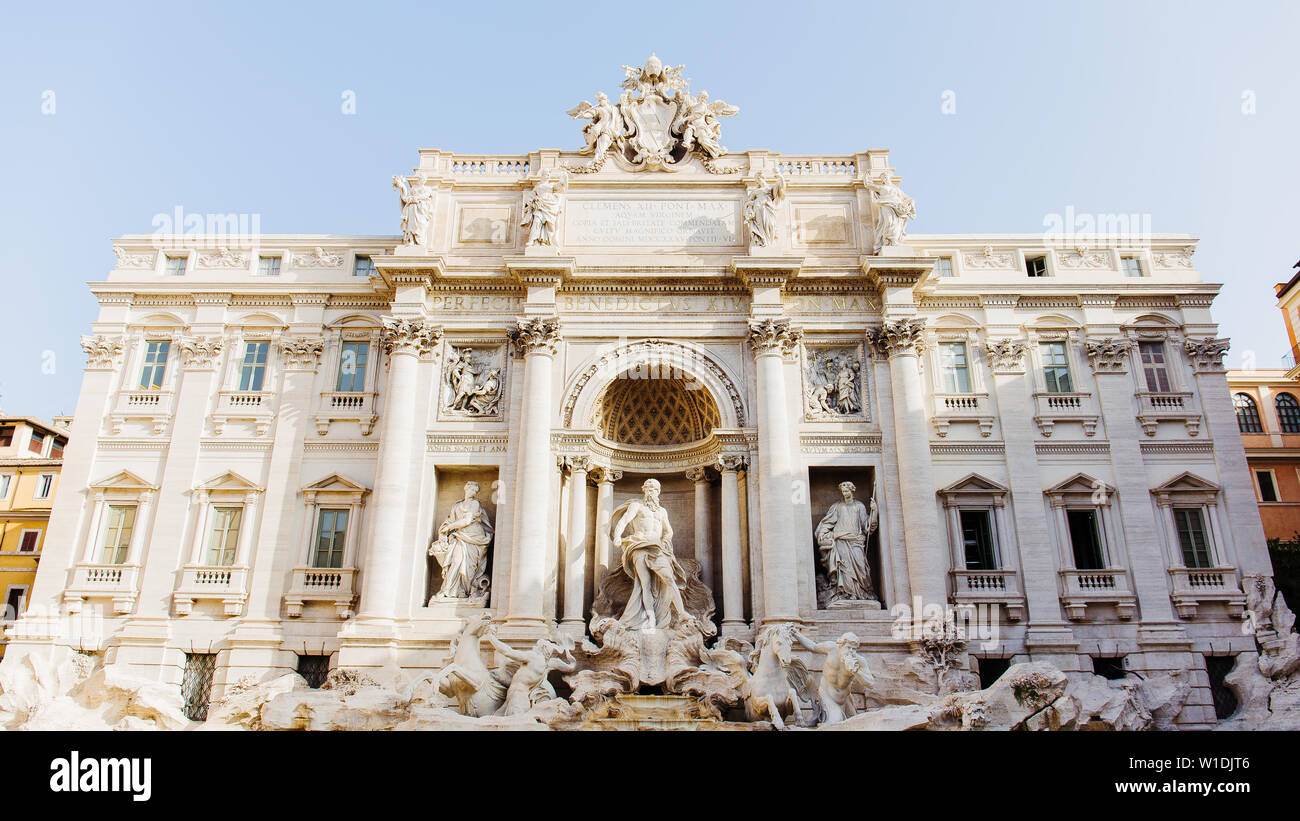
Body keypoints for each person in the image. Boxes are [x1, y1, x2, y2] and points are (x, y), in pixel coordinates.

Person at [612, 478, 690, 630]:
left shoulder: (662, 512)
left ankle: (682, 613)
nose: (650, 491)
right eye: (648, 488)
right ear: (644, 490)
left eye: (653, 489)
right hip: (639, 546)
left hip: (656, 548)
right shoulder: (637, 506)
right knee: (644, 584)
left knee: (669, 578)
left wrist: (665, 542)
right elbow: (623, 521)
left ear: (658, 492)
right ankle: (651, 619)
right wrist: (617, 536)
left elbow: (669, 531)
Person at [814, 481, 878, 604]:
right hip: (841, 541)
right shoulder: (837, 506)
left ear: (852, 491)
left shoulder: (859, 506)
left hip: (856, 541)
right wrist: (822, 534)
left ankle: (861, 593)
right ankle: (846, 594)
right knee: (844, 569)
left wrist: (874, 512)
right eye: (843, 492)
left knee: (861, 568)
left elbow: (867, 526)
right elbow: (828, 522)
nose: (845, 493)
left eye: (847, 491)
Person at [429, 481, 492, 600]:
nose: (473, 492)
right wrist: (445, 528)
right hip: (460, 536)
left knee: (469, 566)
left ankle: (464, 591)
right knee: (456, 561)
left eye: (475, 491)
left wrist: (450, 527)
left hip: (473, 537)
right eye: (471, 489)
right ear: (466, 489)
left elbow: (467, 521)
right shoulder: (457, 505)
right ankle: (448, 590)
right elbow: (450, 520)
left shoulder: (475, 504)